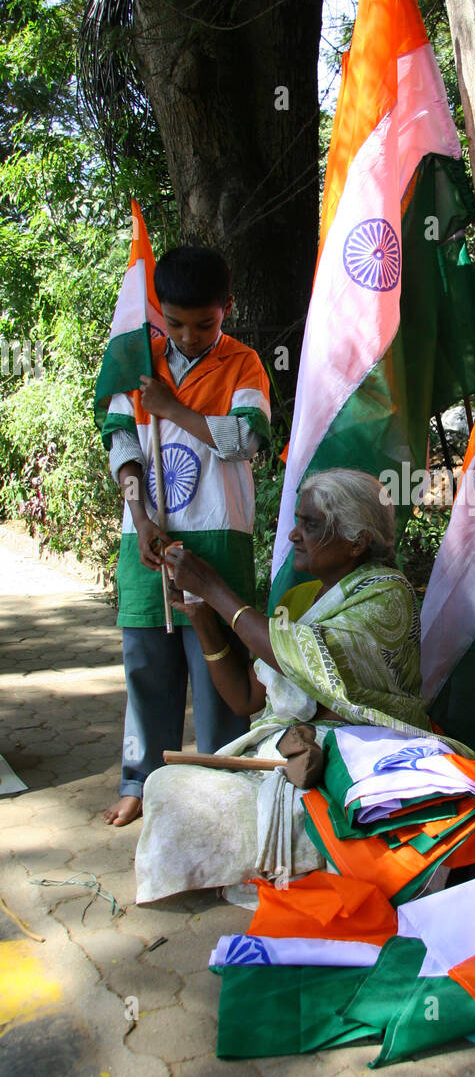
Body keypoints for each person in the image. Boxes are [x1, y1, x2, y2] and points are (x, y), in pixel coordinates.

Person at [134, 469, 438, 904]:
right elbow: (245, 697)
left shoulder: (390, 594)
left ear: (356, 541)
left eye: (311, 524)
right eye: (298, 521)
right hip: (288, 753)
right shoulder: (304, 599)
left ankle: (307, 869)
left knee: (296, 805)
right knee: (167, 784)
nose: (294, 534)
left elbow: (302, 657)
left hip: (358, 759)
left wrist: (214, 588)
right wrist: (203, 617)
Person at [100, 245, 270, 826]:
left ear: (227, 308)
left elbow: (247, 440)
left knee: (219, 666)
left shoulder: (245, 363)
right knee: (147, 666)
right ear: (159, 313)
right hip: (144, 537)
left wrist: (170, 408)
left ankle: (224, 782)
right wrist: (139, 513)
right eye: (175, 323)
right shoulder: (137, 360)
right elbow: (121, 441)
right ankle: (140, 782)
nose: (190, 336)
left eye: (206, 324)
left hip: (218, 541)